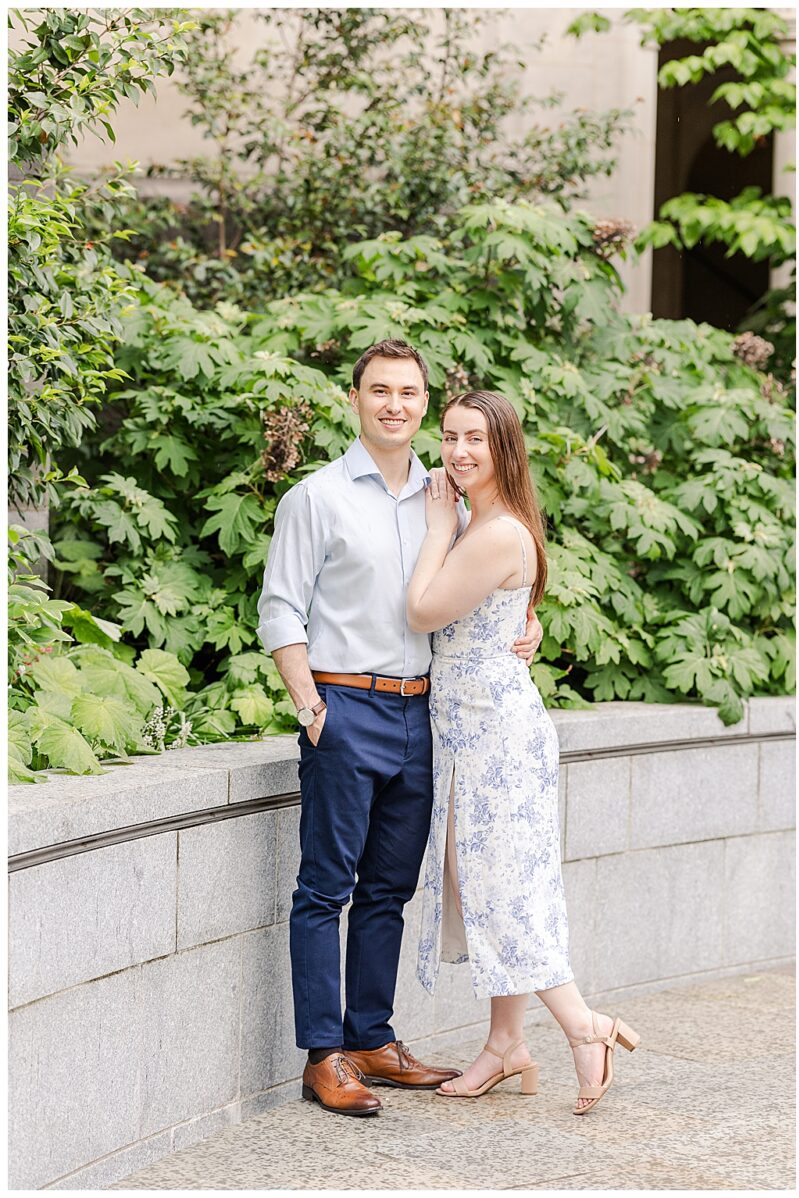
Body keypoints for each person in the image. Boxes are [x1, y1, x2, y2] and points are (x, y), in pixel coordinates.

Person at [259, 340, 541, 1117]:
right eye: (379, 390)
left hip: (424, 712)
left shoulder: (444, 492)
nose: (395, 404)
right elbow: (280, 608)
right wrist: (310, 707)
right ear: (354, 399)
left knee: (389, 888)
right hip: (345, 707)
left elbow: (489, 578)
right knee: (325, 887)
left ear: (424, 404)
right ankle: (325, 1056)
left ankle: (373, 1039)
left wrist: (529, 626)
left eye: (409, 393)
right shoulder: (315, 499)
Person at [407, 389, 638, 1113]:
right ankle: (507, 1043)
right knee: (487, 880)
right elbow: (505, 617)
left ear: (505, 446)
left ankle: (583, 1026)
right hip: (476, 728)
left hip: (495, 734)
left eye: (475, 438)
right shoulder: (493, 523)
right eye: (449, 437)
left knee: (499, 886)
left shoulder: (492, 530)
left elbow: (422, 610)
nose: (458, 452)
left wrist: (438, 525)